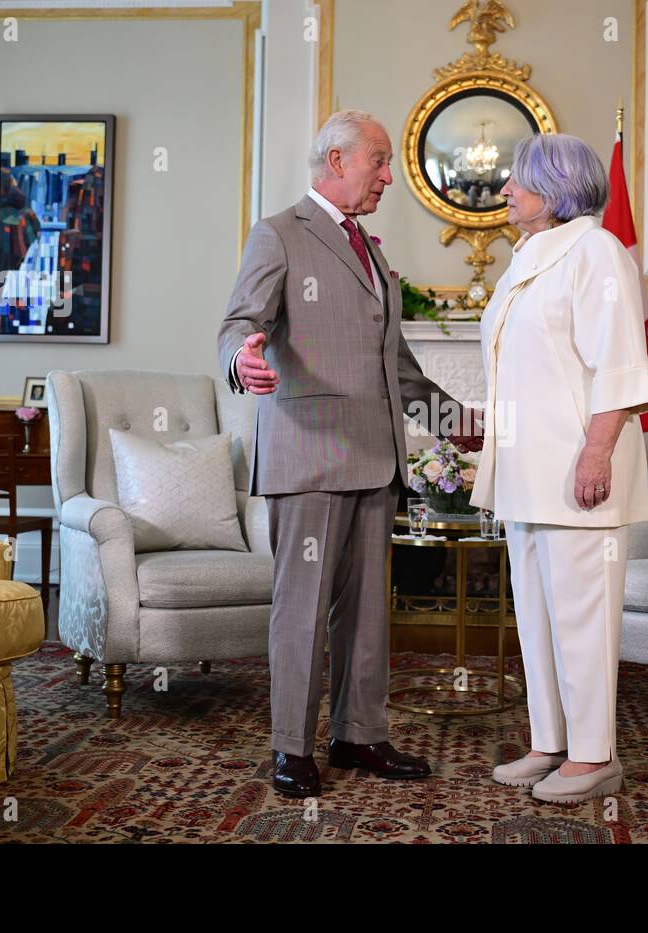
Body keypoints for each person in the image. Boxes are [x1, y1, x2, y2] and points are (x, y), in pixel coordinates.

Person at [217, 109, 482, 799]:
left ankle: (359, 732)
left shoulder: (370, 248)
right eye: (380, 161)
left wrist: (458, 422)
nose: (389, 176)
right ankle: (290, 747)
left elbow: (397, 366)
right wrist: (243, 365)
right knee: (300, 607)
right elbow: (240, 326)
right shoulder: (278, 234)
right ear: (337, 161)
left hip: (377, 459)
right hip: (308, 457)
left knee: (367, 611)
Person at [471, 133, 648, 804]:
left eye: (516, 181)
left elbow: (617, 362)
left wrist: (598, 449)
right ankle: (551, 741)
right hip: (526, 473)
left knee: (583, 614)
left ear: (554, 189)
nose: (505, 192)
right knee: (537, 615)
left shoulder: (596, 250)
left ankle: (594, 754)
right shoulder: (527, 258)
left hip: (581, 468)